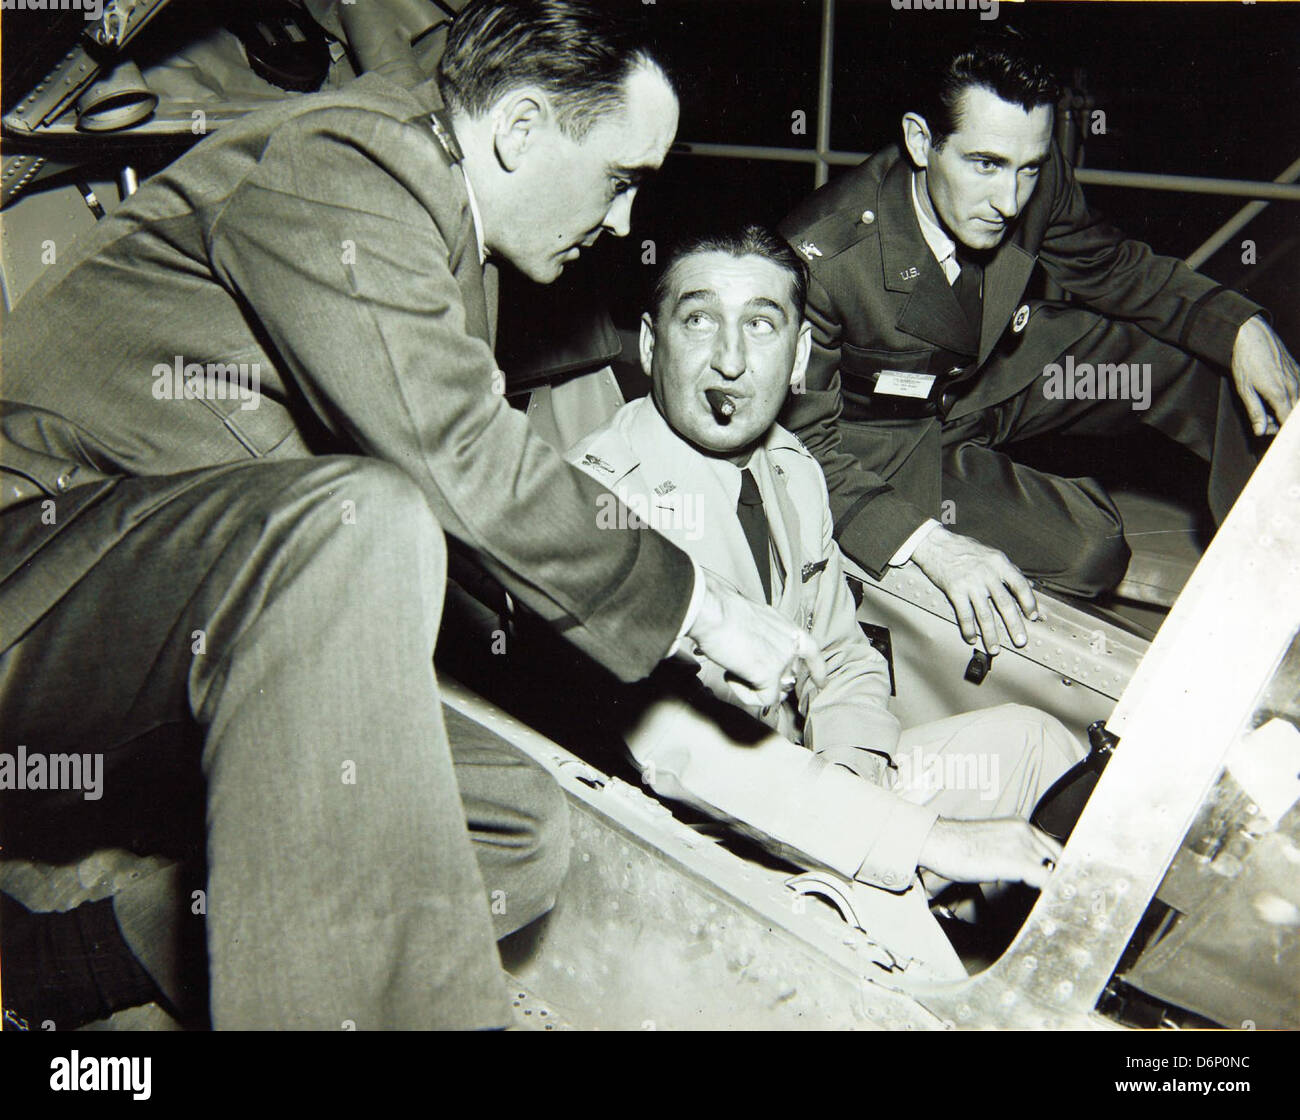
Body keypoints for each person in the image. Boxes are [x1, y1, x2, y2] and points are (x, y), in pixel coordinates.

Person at [0, 0, 823, 1030]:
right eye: (621, 180)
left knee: (513, 826)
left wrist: (652, 673)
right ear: (519, 130)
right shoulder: (346, 158)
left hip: (174, 611)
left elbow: (462, 503)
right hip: (33, 579)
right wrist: (701, 608)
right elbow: (456, 456)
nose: (620, 222)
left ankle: (50, 960)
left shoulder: (444, 236)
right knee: (357, 521)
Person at [567, 227, 1080, 972]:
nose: (732, 360)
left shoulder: (791, 467)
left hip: (815, 779)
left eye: (762, 324)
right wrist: (910, 836)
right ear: (651, 345)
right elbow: (682, 754)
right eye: (700, 320)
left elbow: (842, 655)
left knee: (1034, 744)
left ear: (800, 353)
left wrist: (854, 775)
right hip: (707, 831)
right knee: (930, 988)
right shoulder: (600, 502)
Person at [778, 29, 1299, 654]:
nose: (1009, 200)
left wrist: (1239, 325)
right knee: (1093, 551)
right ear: (921, 141)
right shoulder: (821, 256)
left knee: (1205, 358)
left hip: (989, 377)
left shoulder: (1030, 172)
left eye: (1028, 168)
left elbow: (1113, 268)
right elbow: (799, 448)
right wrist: (930, 545)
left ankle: (1281, 566)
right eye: (985, 165)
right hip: (889, 444)